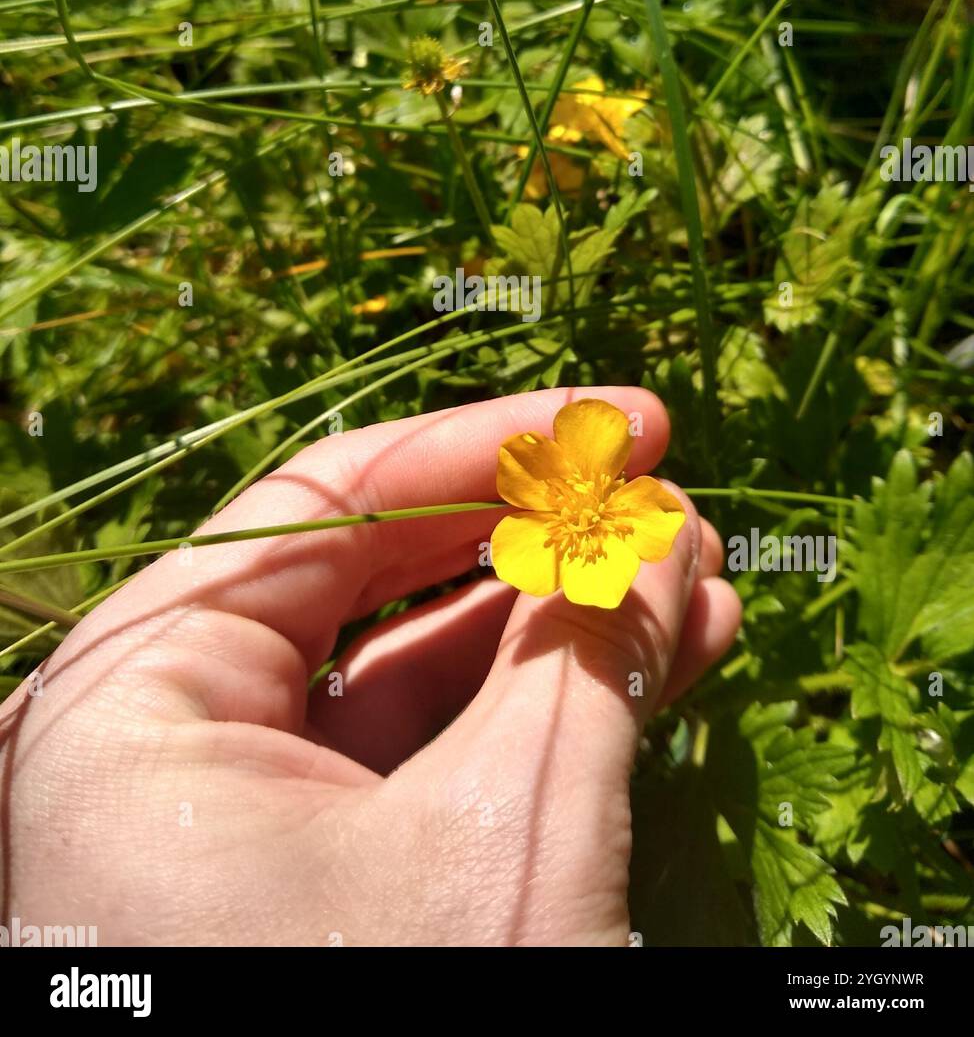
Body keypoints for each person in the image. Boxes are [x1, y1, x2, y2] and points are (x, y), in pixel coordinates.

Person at [1, 386, 740, 946]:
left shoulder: (628, 506)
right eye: (575, 500)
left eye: (587, 498)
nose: (582, 509)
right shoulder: (528, 511)